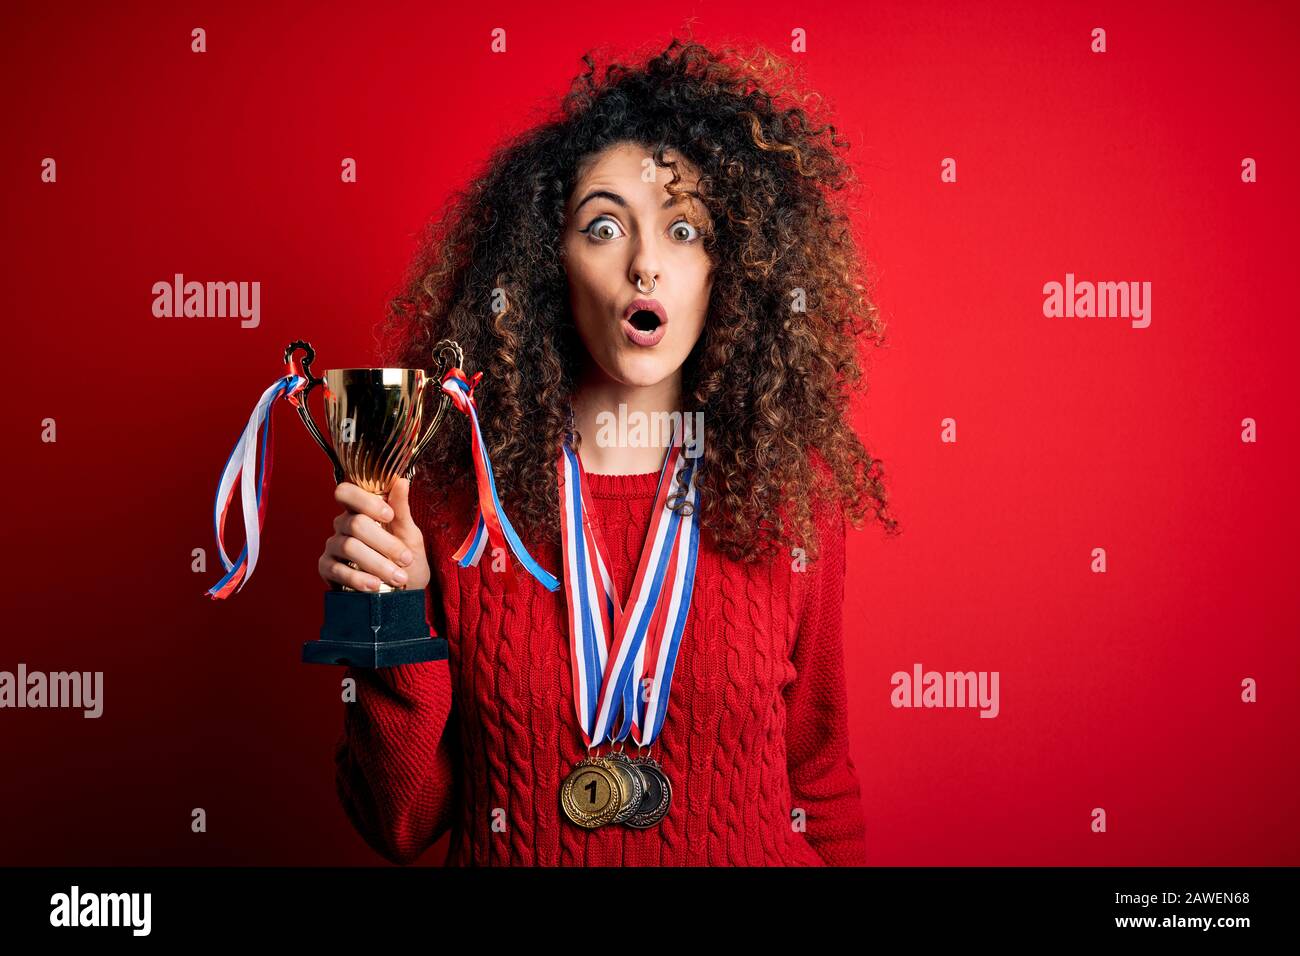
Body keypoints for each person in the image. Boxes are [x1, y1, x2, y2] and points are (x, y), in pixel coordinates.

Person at [321, 36, 898, 866]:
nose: (645, 266)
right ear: (547, 262)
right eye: (603, 226)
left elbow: (820, 780)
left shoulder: (787, 493)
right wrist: (391, 614)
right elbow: (401, 824)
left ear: (729, 266)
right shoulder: (451, 496)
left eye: (685, 229)